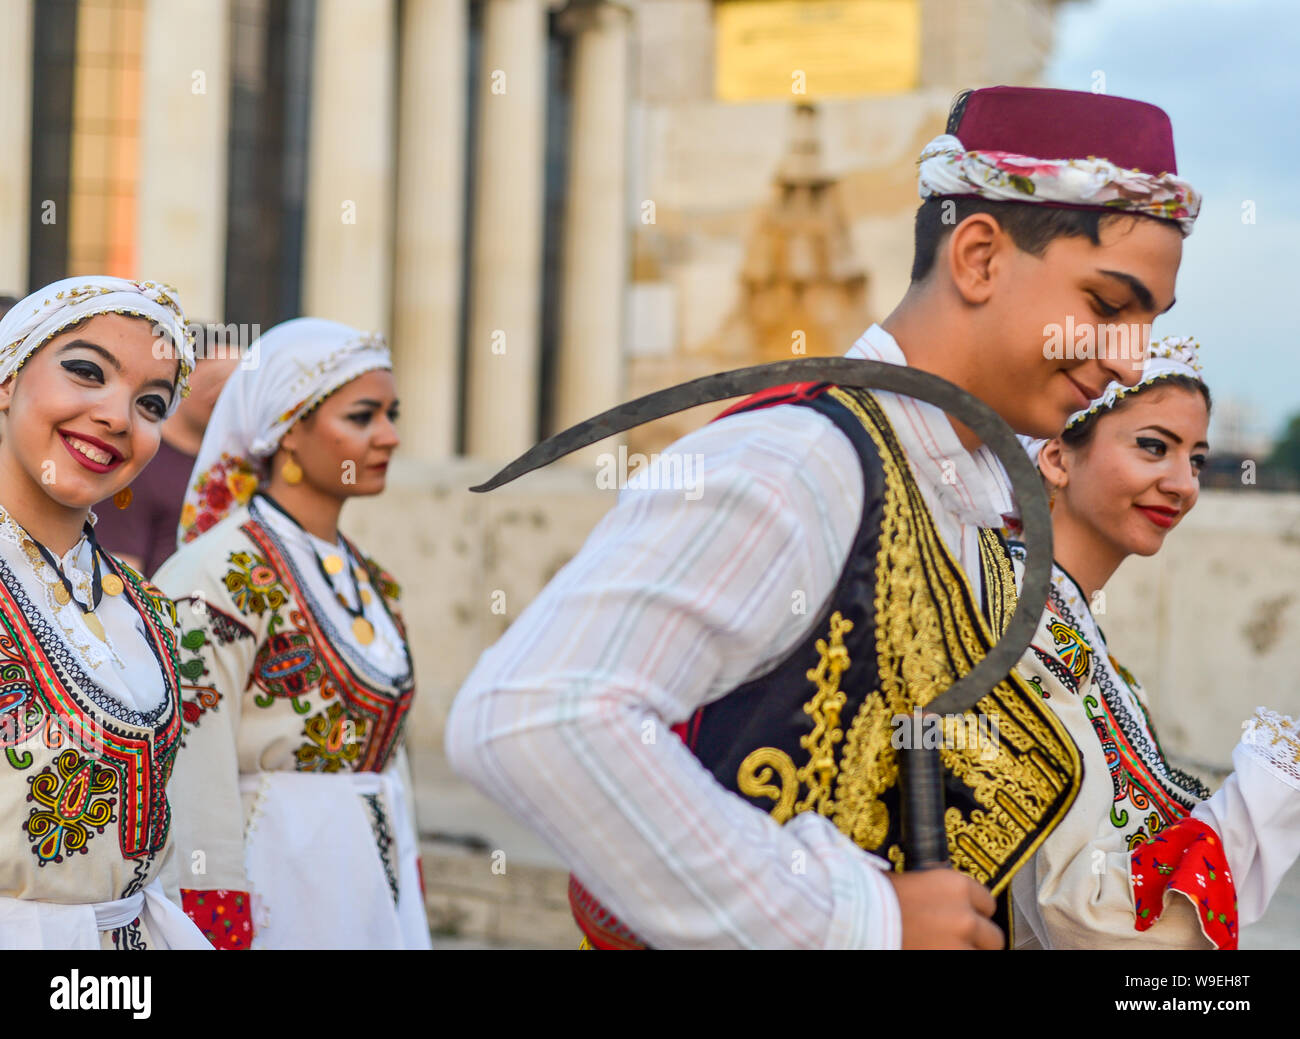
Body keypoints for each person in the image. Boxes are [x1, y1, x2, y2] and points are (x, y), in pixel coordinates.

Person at [446, 85, 1199, 949]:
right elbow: (532, 717)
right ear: (981, 257)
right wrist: (850, 915)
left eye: (1148, 322)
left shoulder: (974, 491)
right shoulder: (805, 459)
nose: (1130, 358)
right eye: (1108, 306)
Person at [1012, 336, 1300, 949]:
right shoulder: (1021, 620)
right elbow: (1090, 917)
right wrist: (1269, 785)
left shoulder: (1075, 632)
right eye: (1153, 447)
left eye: (1196, 459)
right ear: (1058, 457)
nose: (1183, 484)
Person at [152, 317, 429, 949]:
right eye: (362, 416)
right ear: (289, 430)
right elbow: (194, 771)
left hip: (366, 881)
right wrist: (215, 918)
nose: (389, 435)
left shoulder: (370, 580)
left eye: (392, 413)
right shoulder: (215, 574)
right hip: (275, 878)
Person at [0, 276, 209, 949]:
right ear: (6, 378)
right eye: (87, 371)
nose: (119, 417)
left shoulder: (144, 606)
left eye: (151, 403)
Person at [94, 322, 242, 577]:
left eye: (241, 385)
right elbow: (116, 574)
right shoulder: (135, 458)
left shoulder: (240, 466)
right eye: (219, 380)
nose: (228, 394)